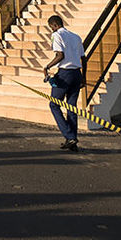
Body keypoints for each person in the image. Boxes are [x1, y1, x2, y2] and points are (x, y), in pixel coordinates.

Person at [42, 14, 84, 152]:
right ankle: (72, 141)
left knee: (54, 104)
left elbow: (60, 55)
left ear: (54, 25)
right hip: (77, 73)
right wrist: (83, 78)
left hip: (65, 74)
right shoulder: (76, 37)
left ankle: (69, 136)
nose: (51, 29)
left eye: (51, 27)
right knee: (71, 107)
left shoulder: (56, 35)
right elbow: (84, 58)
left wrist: (47, 67)